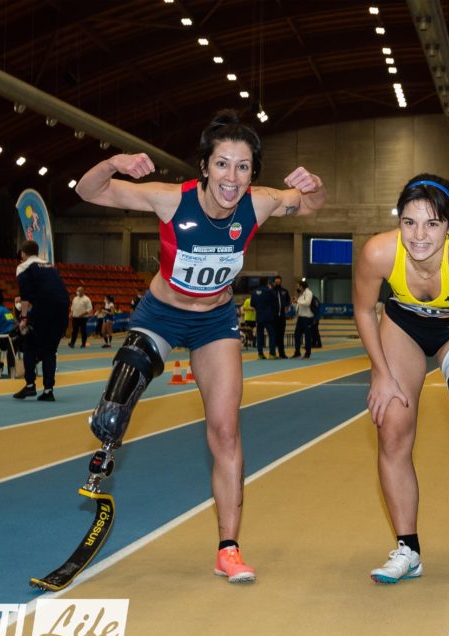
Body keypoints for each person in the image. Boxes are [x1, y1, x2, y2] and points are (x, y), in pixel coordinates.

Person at [74, 108, 325, 582]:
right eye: (224, 164)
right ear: (205, 166)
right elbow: (88, 191)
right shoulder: (171, 200)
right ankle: (105, 447)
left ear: (253, 172)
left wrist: (314, 184)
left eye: (244, 167)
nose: (232, 178)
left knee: (226, 432)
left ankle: (228, 548)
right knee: (112, 413)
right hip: (162, 315)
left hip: (215, 322)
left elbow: (312, 205)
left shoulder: (261, 202)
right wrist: (114, 163)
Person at [353, 173, 449, 584]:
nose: (419, 236)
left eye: (432, 224)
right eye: (409, 222)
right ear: (398, 220)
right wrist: (382, 374)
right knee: (392, 428)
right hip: (402, 327)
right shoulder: (379, 252)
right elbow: (365, 311)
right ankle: (408, 549)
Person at [13, 240, 70, 401]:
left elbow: (25, 296)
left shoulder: (23, 267)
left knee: (29, 344)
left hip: (45, 308)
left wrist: (24, 318)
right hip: (63, 307)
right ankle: (48, 390)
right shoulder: (50, 266)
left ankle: (30, 385)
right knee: (49, 350)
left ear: (23, 254)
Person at [251, 276, 276, 359]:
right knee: (271, 334)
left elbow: (252, 304)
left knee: (260, 335)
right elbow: (274, 300)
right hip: (268, 316)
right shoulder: (268, 291)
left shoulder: (254, 292)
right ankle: (272, 354)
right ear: (267, 282)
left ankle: (260, 354)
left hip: (259, 316)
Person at [292, 280, 314, 359]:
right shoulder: (301, 295)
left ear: (301, 286)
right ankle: (297, 352)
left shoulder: (309, 293)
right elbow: (299, 305)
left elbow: (307, 303)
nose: (297, 288)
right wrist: (295, 303)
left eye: (298, 286)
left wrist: (297, 301)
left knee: (307, 336)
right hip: (301, 318)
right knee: (297, 335)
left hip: (307, 318)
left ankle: (308, 353)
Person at [271, 275, 291, 359]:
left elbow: (288, 301)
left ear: (281, 282)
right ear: (274, 282)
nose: (278, 283)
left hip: (282, 317)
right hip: (273, 317)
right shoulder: (271, 292)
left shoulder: (284, 291)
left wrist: (286, 307)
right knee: (274, 335)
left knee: (281, 335)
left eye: (279, 282)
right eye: (276, 282)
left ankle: (282, 353)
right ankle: (273, 353)